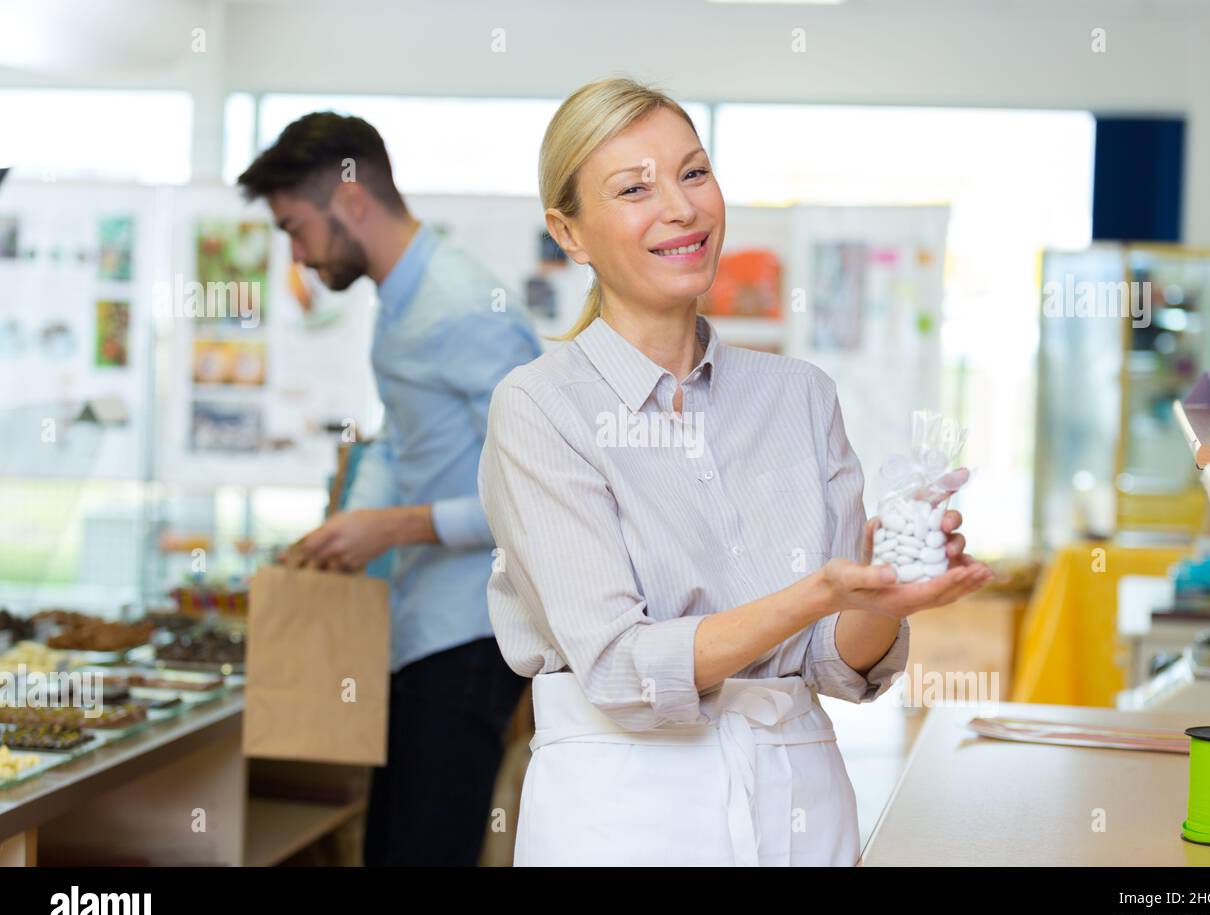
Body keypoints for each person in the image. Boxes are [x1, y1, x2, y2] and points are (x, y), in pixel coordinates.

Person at [478, 79, 994, 866]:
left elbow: (832, 659)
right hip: (622, 811)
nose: (681, 208)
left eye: (693, 172)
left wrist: (881, 591)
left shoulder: (800, 396)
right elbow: (620, 668)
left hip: (800, 799)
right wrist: (819, 588)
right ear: (569, 234)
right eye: (633, 188)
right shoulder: (540, 409)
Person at [237, 112, 542, 866]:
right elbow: (408, 441)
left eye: (295, 228)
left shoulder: (464, 307)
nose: (298, 256)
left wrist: (394, 527)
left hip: (469, 637)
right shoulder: (399, 303)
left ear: (350, 203)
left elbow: (545, 497)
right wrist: (346, 526)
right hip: (418, 630)